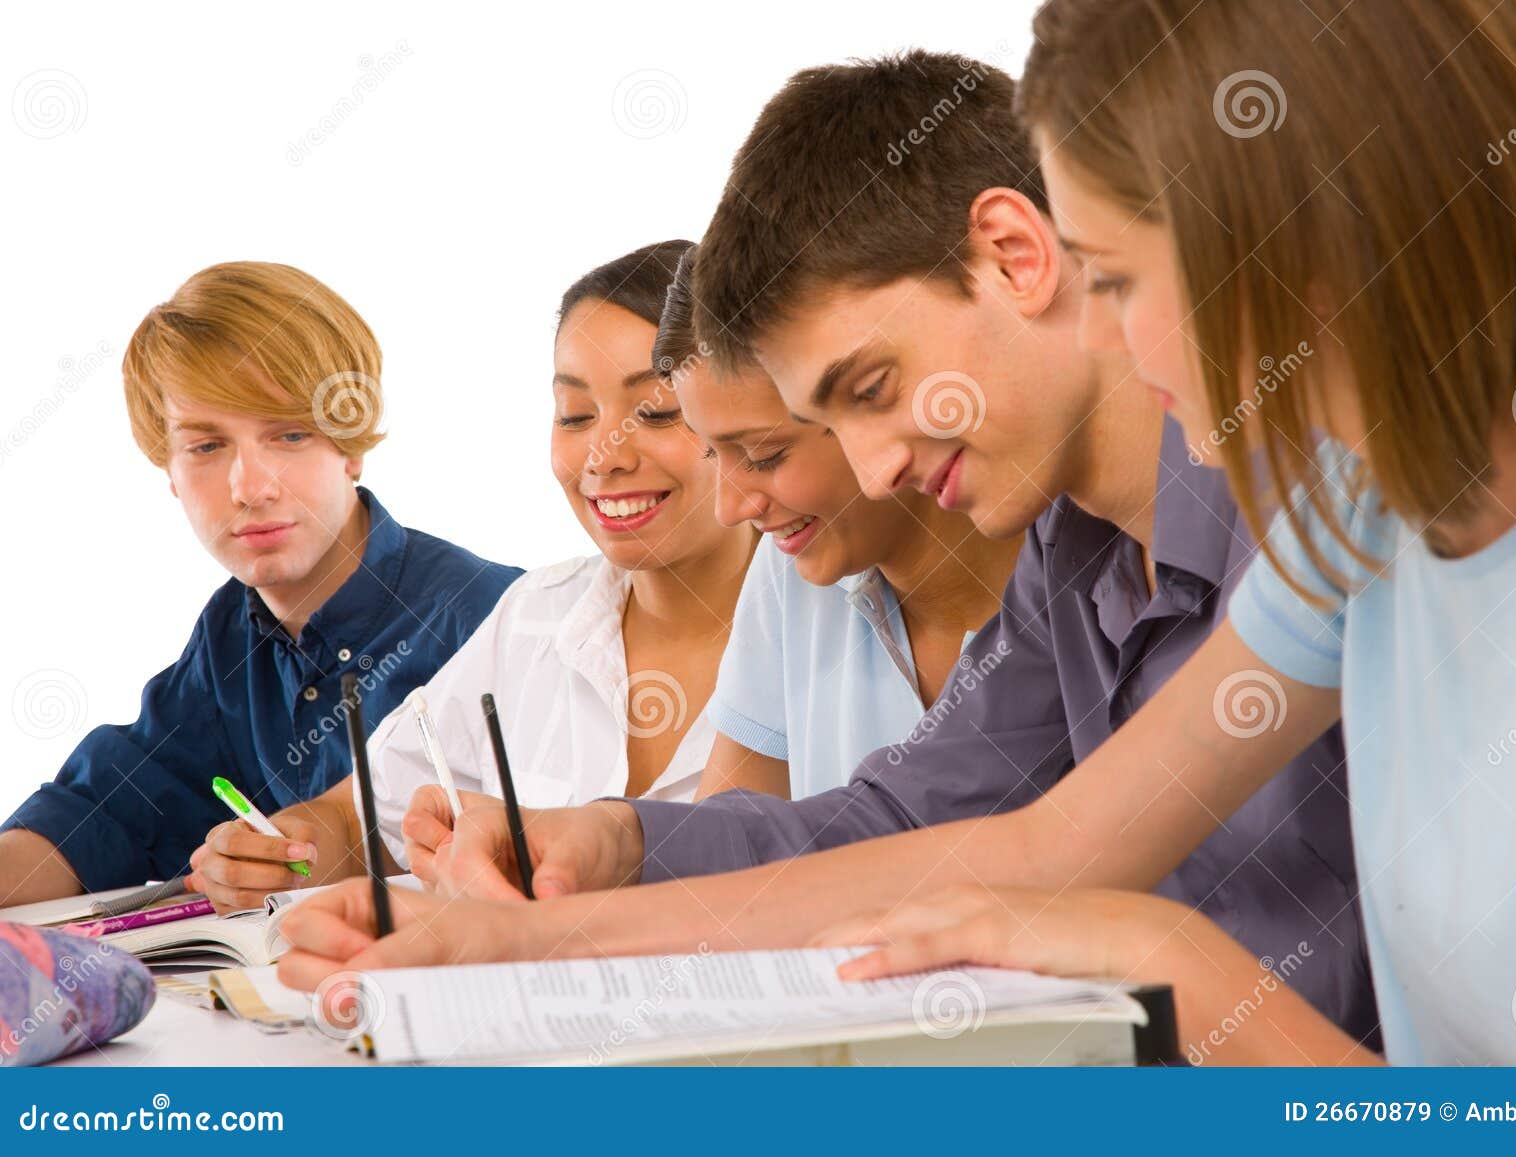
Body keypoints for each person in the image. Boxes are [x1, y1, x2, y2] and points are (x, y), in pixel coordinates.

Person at [277, 52, 1376, 1043]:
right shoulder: (1073, 547)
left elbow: (1053, 854)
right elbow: (916, 825)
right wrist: (612, 847)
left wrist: (534, 943)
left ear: (1012, 252)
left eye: (872, 388)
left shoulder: (1341, 494)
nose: (876, 465)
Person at [823, 0, 1516, 1067]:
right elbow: (1052, 847)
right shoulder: (1367, 496)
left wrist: (1169, 956)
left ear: (1299, 246)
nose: (1094, 333)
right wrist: (549, 931)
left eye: (1114, 279)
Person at [188, 242, 760, 909]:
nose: (602, 456)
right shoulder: (535, 615)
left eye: (657, 411)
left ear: (744, 408)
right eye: (575, 416)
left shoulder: (827, 622)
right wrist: (284, 849)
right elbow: (357, 820)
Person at [0, 261, 521, 907]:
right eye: (206, 447)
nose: (250, 487)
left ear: (351, 444)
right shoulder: (230, 637)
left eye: (290, 433)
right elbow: (109, 807)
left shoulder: (499, 618)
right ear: (168, 470)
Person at [653, 247, 1022, 804]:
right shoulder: (792, 568)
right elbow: (732, 849)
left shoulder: (1081, 583)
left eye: (764, 455)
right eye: (712, 454)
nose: (731, 510)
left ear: (871, 397)